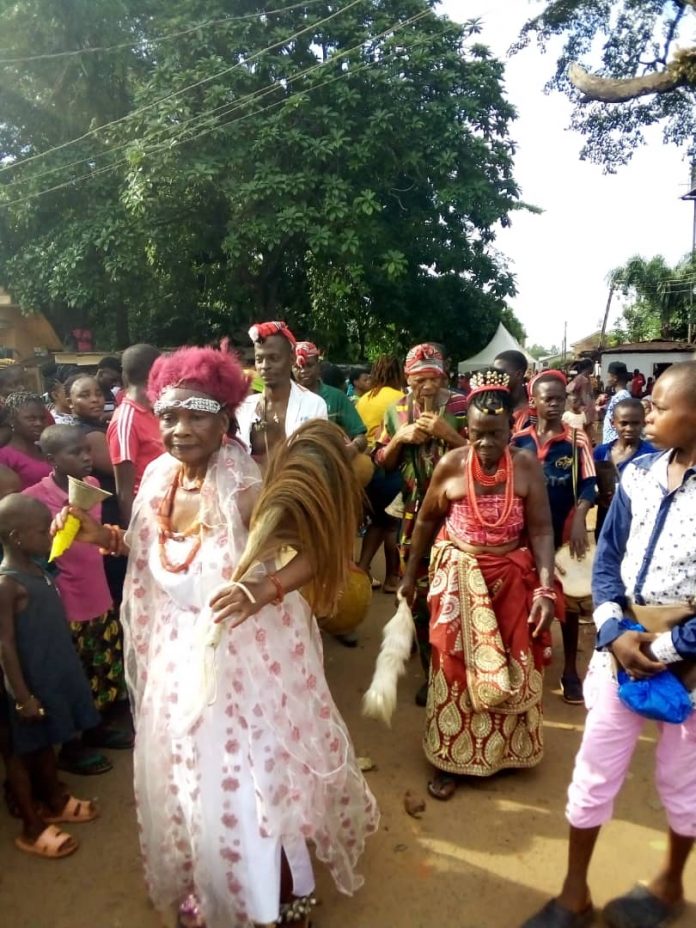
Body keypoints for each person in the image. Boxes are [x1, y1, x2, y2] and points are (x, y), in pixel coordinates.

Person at [57, 345, 378, 928]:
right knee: (192, 781)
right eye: (169, 415)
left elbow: (318, 550)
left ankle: (271, 900)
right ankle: (216, 887)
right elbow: (145, 551)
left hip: (246, 667)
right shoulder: (158, 478)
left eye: (196, 415)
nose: (179, 430)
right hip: (180, 662)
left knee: (251, 786)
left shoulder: (246, 488)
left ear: (227, 418)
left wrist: (264, 590)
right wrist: (89, 533)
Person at [520, 360, 696, 928]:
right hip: (622, 651)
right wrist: (615, 632)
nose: (647, 413)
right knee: (594, 769)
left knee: (684, 780)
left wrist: (667, 651)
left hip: (689, 662)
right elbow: (608, 558)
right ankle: (574, 896)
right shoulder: (641, 474)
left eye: (662, 406)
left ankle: (669, 884)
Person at [399, 370, 558, 800]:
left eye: (496, 434)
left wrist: (544, 588)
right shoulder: (451, 465)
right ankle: (448, 757)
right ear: (466, 430)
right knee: (453, 667)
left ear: (512, 428)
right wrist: (410, 577)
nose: (487, 445)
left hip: (510, 580)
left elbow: (542, 531)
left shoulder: (526, 465)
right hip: (458, 577)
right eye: (478, 434)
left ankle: (502, 754)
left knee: (509, 663)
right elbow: (427, 523)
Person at [0, 494, 100, 859]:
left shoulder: (38, 568)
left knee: (44, 745)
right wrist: (22, 696)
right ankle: (31, 824)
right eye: (43, 530)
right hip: (24, 686)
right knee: (20, 754)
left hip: (48, 675)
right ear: (17, 536)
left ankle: (54, 799)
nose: (50, 534)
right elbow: (5, 646)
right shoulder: (7, 584)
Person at [23, 425, 131, 758]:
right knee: (72, 675)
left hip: (98, 595)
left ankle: (97, 729)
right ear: (51, 459)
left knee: (102, 667)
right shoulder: (33, 499)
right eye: (76, 453)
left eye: (87, 450)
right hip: (65, 603)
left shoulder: (93, 486)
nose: (86, 457)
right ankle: (72, 745)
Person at [373, 344, 468, 704]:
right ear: (407, 380)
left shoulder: (461, 406)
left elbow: (487, 456)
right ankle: (431, 672)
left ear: (443, 377)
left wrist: (450, 434)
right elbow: (382, 461)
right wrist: (399, 438)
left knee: (456, 588)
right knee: (416, 588)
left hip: (458, 511)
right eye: (419, 379)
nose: (427, 386)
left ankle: (456, 665)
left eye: (433, 378)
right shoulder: (396, 410)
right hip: (413, 512)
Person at [512, 370, 597, 705]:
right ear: (533, 401)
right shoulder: (518, 440)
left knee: (570, 601)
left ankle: (571, 671)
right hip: (522, 533)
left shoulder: (576, 442)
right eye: (546, 398)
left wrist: (579, 517)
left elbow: (590, 483)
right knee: (522, 594)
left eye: (559, 399)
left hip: (562, 531)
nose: (553, 404)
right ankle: (523, 660)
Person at [66, 374, 124, 604]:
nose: (95, 400)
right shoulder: (91, 435)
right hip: (106, 508)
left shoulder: (95, 427)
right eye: (85, 395)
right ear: (70, 403)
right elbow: (117, 469)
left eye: (98, 394)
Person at [236, 322, 327, 468]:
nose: (265, 366)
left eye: (274, 358)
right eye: (259, 359)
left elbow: (316, 460)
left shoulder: (314, 405)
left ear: (291, 358)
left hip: (297, 487)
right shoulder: (244, 408)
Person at [354, 356, 404, 594]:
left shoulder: (364, 399)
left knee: (376, 522)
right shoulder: (400, 400)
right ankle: (393, 578)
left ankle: (362, 569)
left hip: (366, 470)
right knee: (393, 525)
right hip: (390, 468)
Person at [106, 343, 163, 526]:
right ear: (156, 373)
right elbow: (124, 491)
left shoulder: (155, 412)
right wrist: (134, 538)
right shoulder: (126, 420)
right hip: (147, 518)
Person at [593, 398, 655, 538]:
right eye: (624, 423)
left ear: (643, 422)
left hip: (638, 528)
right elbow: (589, 485)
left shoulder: (652, 455)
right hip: (606, 523)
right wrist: (598, 497)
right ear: (613, 423)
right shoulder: (600, 452)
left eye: (635, 423)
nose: (629, 428)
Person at [293, 342, 367, 456]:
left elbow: (361, 436)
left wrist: (351, 449)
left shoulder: (336, 397)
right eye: (298, 367)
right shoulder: (286, 397)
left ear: (318, 366)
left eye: (309, 365)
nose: (303, 371)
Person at [0, 392, 52, 489]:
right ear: (12, 420)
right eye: (31, 419)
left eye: (42, 418)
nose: (39, 423)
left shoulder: (46, 449)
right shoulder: (4, 456)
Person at [494, 349, 531, 432]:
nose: (495, 377)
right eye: (494, 373)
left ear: (518, 374)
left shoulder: (536, 411)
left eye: (500, 373)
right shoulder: (493, 406)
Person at [567, 359, 597, 440]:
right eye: (593, 367)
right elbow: (568, 389)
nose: (593, 369)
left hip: (589, 411)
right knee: (582, 435)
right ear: (589, 367)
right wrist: (577, 400)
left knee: (588, 436)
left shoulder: (587, 378)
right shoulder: (579, 378)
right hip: (583, 410)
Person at [602, 361, 631, 443]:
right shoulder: (620, 396)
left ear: (615, 378)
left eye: (608, 376)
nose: (607, 379)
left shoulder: (621, 397)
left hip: (615, 442)